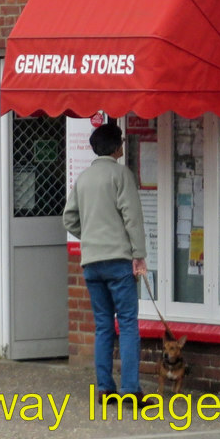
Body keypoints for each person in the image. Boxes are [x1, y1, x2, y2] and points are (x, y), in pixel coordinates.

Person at [63, 119, 147, 397]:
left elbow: (69, 218)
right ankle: (131, 389)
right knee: (127, 324)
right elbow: (132, 218)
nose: (123, 146)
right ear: (115, 147)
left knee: (102, 325)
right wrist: (139, 255)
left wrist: (88, 235)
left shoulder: (83, 178)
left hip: (91, 263)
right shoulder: (121, 175)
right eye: (121, 142)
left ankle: (104, 387)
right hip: (118, 260)